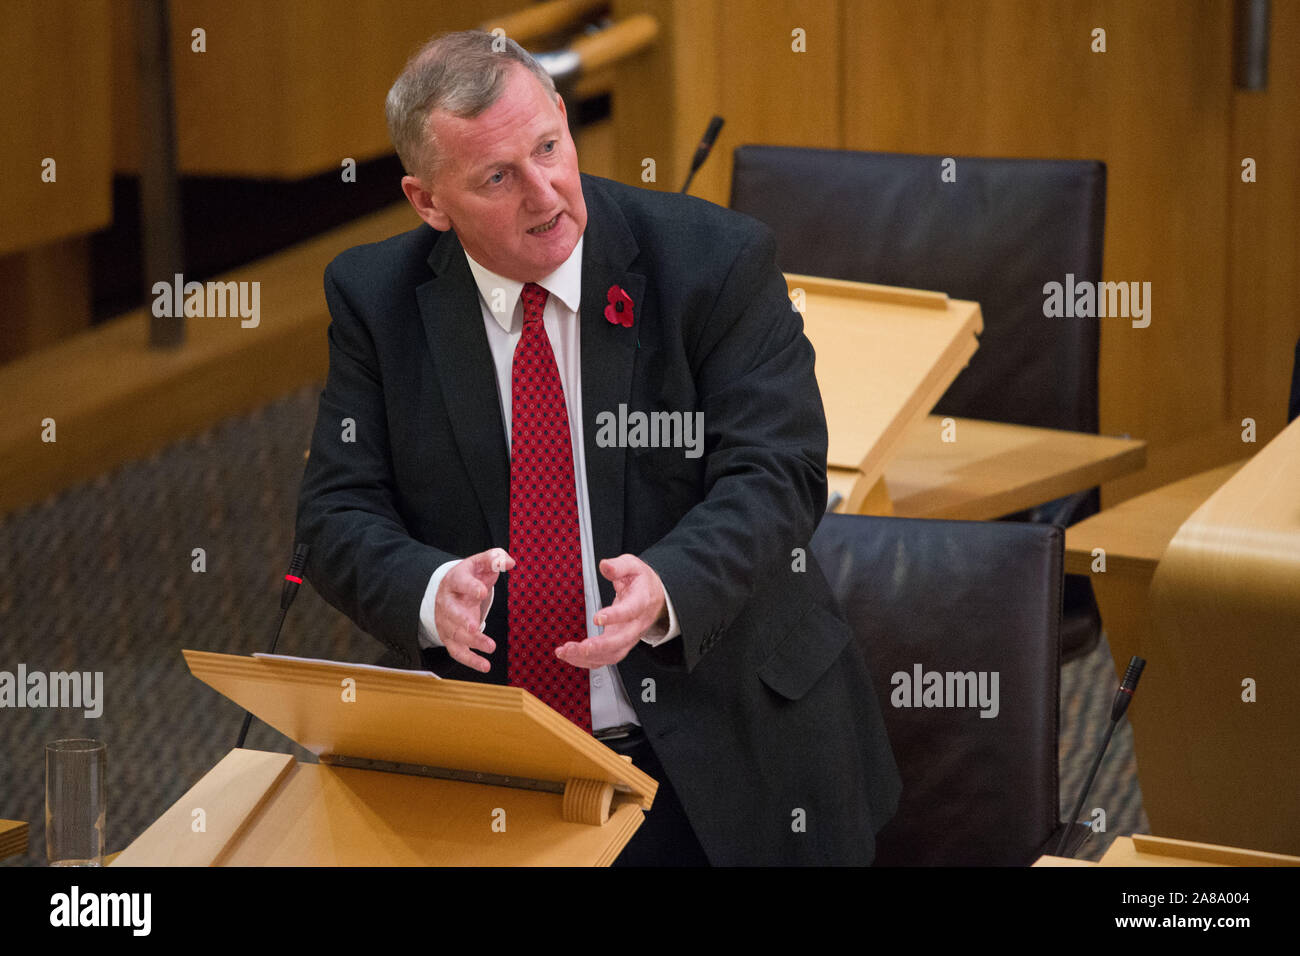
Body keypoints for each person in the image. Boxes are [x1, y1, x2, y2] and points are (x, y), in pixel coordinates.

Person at [295, 29, 899, 865]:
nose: (545, 195)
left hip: (731, 751)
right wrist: (430, 589)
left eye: (550, 147)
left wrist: (671, 582)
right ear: (429, 202)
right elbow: (333, 512)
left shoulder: (712, 262)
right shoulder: (376, 298)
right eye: (498, 178)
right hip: (506, 772)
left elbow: (777, 470)